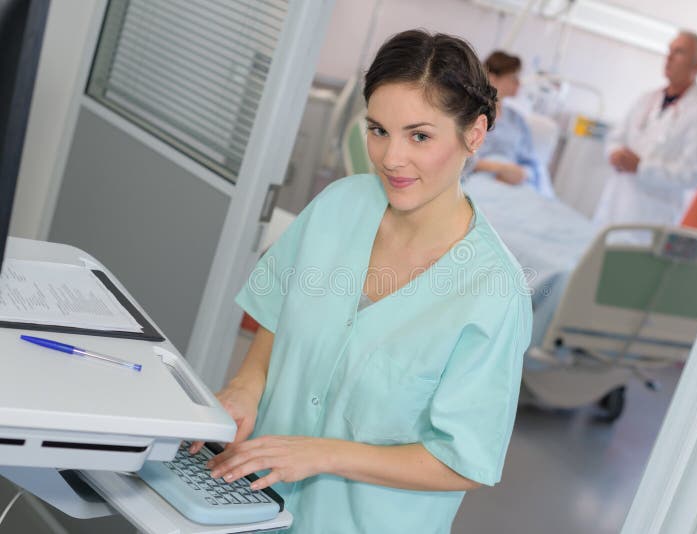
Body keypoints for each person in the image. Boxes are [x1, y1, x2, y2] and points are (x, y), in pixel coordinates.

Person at [191, 30, 533, 533]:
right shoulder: (339, 206)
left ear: (475, 134)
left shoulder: (493, 294)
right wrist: (245, 387)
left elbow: (463, 460)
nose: (391, 157)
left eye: (419, 136)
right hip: (253, 508)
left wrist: (323, 454)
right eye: (378, 130)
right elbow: (277, 316)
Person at [593, 31, 697, 228]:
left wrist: (642, 167)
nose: (669, 58)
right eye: (669, 51)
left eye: (679, 52)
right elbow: (616, 137)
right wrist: (615, 153)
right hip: (614, 205)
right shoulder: (646, 99)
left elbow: (694, 175)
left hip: (650, 220)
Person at [472, 50, 553, 196]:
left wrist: (522, 174)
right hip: (477, 181)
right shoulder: (468, 114)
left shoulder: (517, 120)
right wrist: (498, 168)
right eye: (513, 77)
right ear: (492, 77)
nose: (518, 83)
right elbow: (455, 158)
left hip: (514, 185)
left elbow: (532, 164)